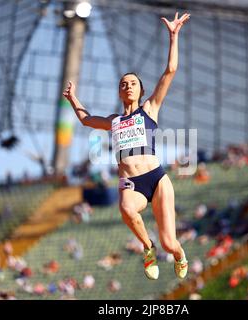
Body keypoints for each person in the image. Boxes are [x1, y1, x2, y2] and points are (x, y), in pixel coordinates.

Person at [62, 12, 190, 280]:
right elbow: (86, 120)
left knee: (170, 242)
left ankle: (179, 254)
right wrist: (74, 98)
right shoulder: (114, 121)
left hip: (156, 179)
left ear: (141, 91)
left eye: (133, 83)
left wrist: (173, 35)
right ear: (120, 93)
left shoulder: (150, 109)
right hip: (131, 182)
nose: (128, 86)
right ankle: (147, 247)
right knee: (126, 208)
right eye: (123, 84)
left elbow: (170, 71)